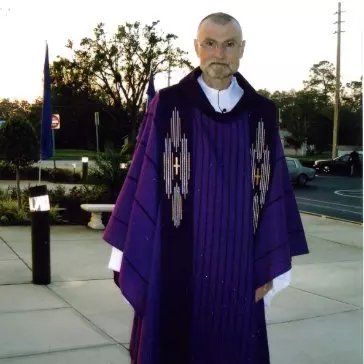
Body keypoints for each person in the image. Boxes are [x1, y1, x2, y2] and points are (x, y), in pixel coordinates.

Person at [104, 12, 309, 364]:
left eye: (229, 45)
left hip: (240, 268)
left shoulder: (261, 113)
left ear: (242, 49)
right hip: (174, 266)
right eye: (210, 44)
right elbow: (143, 183)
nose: (219, 53)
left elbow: (275, 195)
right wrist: (133, 256)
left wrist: (267, 265)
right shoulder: (168, 106)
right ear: (196, 48)